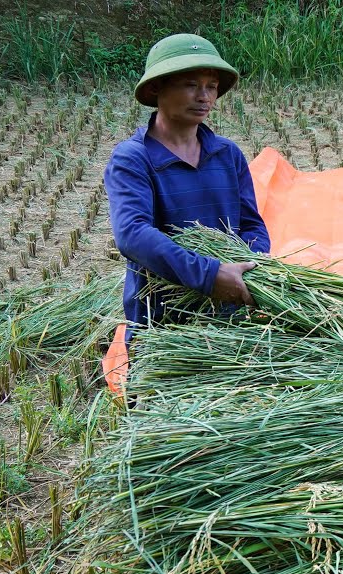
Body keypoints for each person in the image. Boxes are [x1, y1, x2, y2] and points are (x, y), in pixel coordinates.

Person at [104, 33, 268, 342]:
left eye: (212, 87)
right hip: (163, 320)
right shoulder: (132, 158)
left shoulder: (227, 153)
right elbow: (132, 233)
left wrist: (254, 269)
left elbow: (250, 223)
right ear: (156, 88)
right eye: (191, 85)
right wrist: (209, 275)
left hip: (228, 314)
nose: (204, 97)